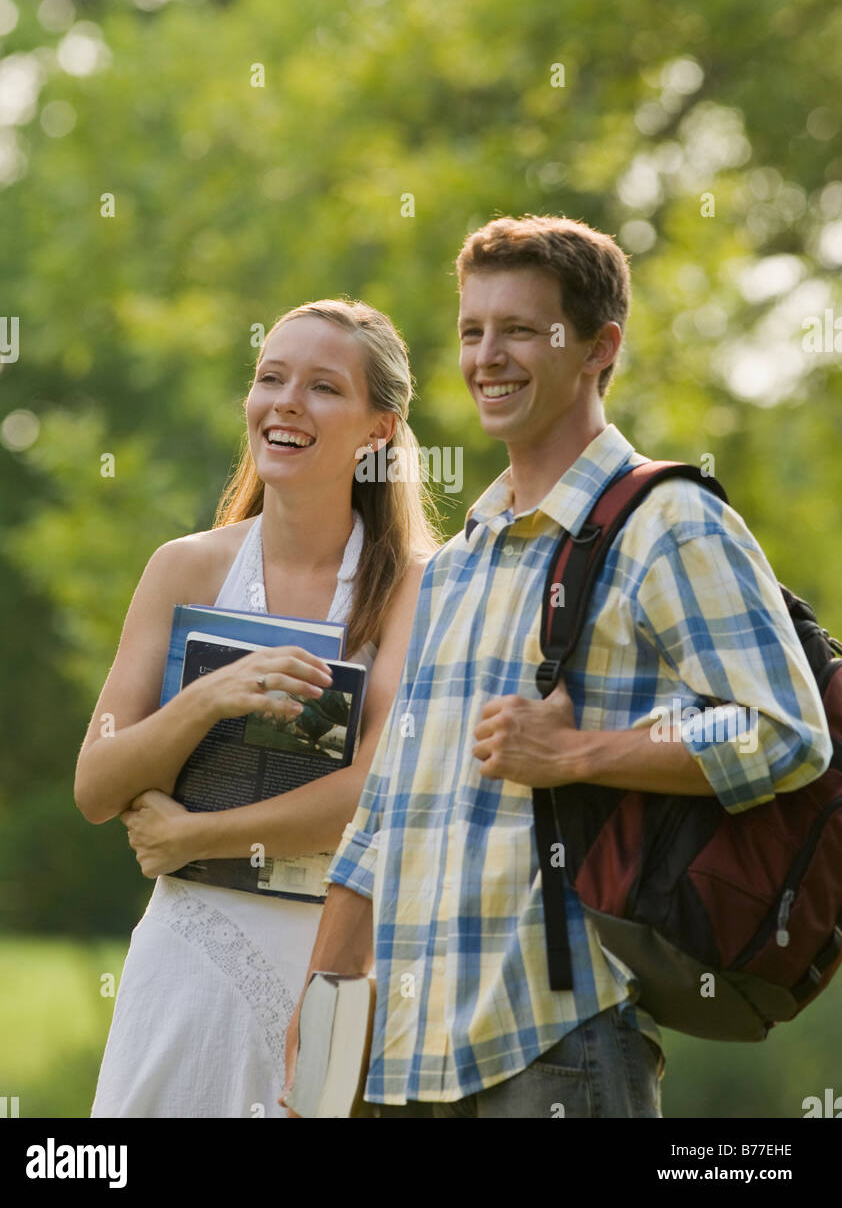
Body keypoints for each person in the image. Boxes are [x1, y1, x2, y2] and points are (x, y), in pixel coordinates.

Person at [283, 214, 833, 1119]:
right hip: (400, 1063)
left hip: (555, 1047)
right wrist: (324, 1003)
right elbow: (389, 804)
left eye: (520, 330)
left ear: (596, 346)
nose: (487, 356)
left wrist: (578, 754)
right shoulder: (458, 562)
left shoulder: (668, 524)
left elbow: (784, 731)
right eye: (472, 331)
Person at [76, 298, 439, 1117]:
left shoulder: (419, 586)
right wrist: (208, 697)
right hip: (183, 964)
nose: (285, 403)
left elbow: (377, 797)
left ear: (378, 429)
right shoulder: (184, 570)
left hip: (332, 966)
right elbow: (98, 783)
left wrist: (192, 835)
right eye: (270, 378)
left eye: (321, 387)